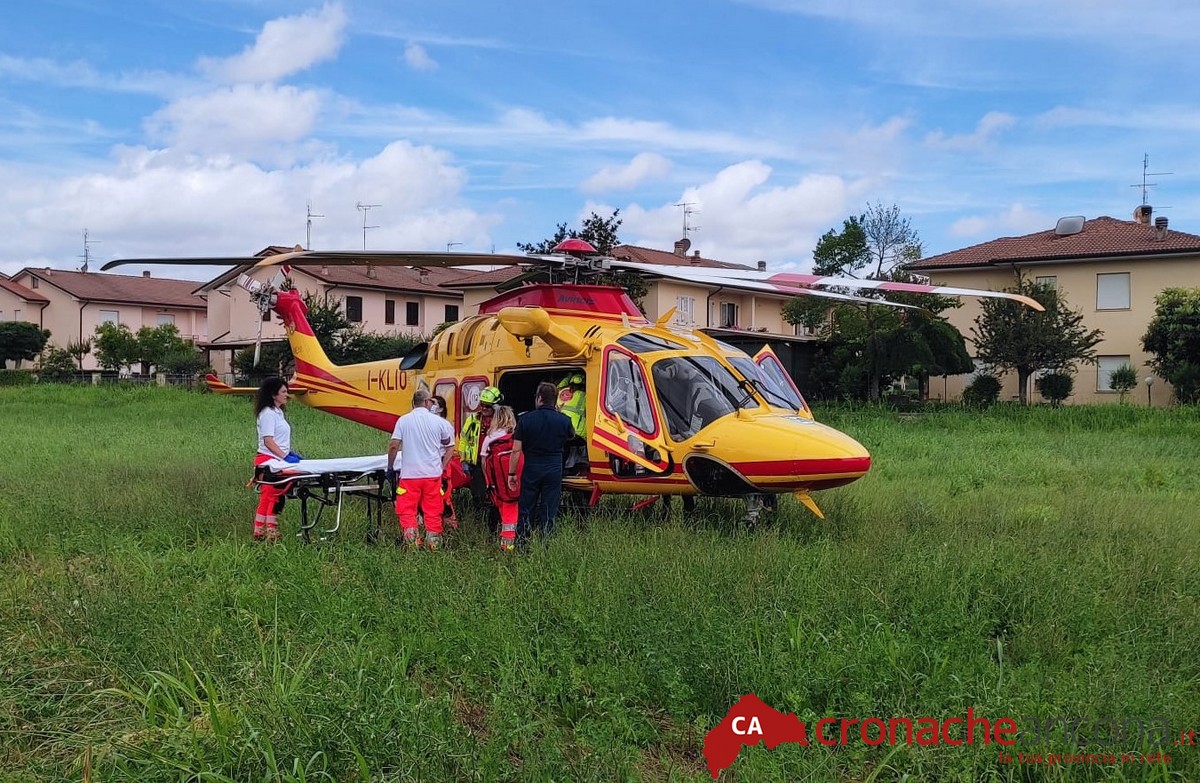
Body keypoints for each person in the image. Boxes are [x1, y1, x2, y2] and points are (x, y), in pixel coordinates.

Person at [387, 389, 456, 550]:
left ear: (413, 402)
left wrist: (390, 467)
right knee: (433, 510)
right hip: (432, 476)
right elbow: (450, 446)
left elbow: (393, 446)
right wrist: (442, 466)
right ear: (427, 402)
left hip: (410, 476)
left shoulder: (403, 421)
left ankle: (412, 544)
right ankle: (434, 544)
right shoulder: (440, 423)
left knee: (407, 510)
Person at [508, 382, 575, 547]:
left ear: (539, 398)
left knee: (526, 509)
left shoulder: (525, 420)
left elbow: (516, 450)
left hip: (532, 468)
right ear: (555, 401)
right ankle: (547, 546)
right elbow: (571, 436)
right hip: (553, 469)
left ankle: (523, 545)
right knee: (549, 510)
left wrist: (512, 473)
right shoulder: (564, 420)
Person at [252, 377, 300, 542]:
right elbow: (268, 441)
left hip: (277, 458)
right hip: (269, 459)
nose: (287, 395)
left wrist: (289, 454)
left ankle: (268, 531)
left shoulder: (278, 413)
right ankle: (263, 532)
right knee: (270, 496)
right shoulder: (267, 414)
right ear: (274, 395)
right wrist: (284, 457)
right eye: (284, 392)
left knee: (275, 496)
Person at [458, 385, 502, 526]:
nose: (484, 409)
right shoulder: (473, 419)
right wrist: (464, 460)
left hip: (495, 463)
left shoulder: (501, 421)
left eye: (487, 406)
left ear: (496, 406)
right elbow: (464, 439)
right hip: (477, 463)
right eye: (482, 405)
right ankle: (479, 520)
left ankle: (494, 520)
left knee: (496, 493)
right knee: (478, 493)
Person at [481, 405, 520, 550]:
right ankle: (513, 542)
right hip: (515, 482)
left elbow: (484, 463)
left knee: (502, 513)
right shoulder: (516, 436)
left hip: (497, 485)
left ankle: (505, 545)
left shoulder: (490, 439)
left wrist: (488, 483)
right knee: (513, 512)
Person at [431, 394, 462, 528]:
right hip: (431, 463)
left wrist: (442, 467)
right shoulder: (428, 424)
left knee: (444, 497)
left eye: (433, 403)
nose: (430, 406)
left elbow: (450, 448)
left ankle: (451, 525)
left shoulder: (445, 425)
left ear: (441, 408)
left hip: (442, 463)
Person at [556, 372, 588, 475]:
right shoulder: (586, 395)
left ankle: (562, 471)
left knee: (564, 451)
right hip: (577, 431)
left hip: (560, 429)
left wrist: (568, 374)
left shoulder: (561, 391)